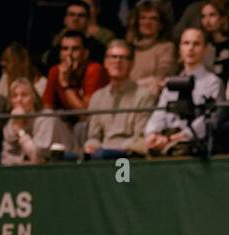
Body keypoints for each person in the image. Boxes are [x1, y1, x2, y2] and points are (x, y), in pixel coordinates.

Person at [144, 24, 221, 153]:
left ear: (205, 49)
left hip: (193, 140)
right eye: (186, 43)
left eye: (196, 44)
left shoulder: (213, 82)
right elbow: (160, 111)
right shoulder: (172, 82)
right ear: (180, 48)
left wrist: (176, 137)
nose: (190, 48)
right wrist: (152, 133)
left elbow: (211, 119)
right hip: (166, 136)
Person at [85, 39, 157, 157]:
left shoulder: (144, 96)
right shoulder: (97, 97)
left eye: (123, 58)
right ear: (105, 62)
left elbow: (140, 137)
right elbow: (94, 136)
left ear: (131, 64)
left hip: (129, 156)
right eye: (113, 57)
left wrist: (112, 150)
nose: (117, 61)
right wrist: (91, 146)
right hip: (101, 156)